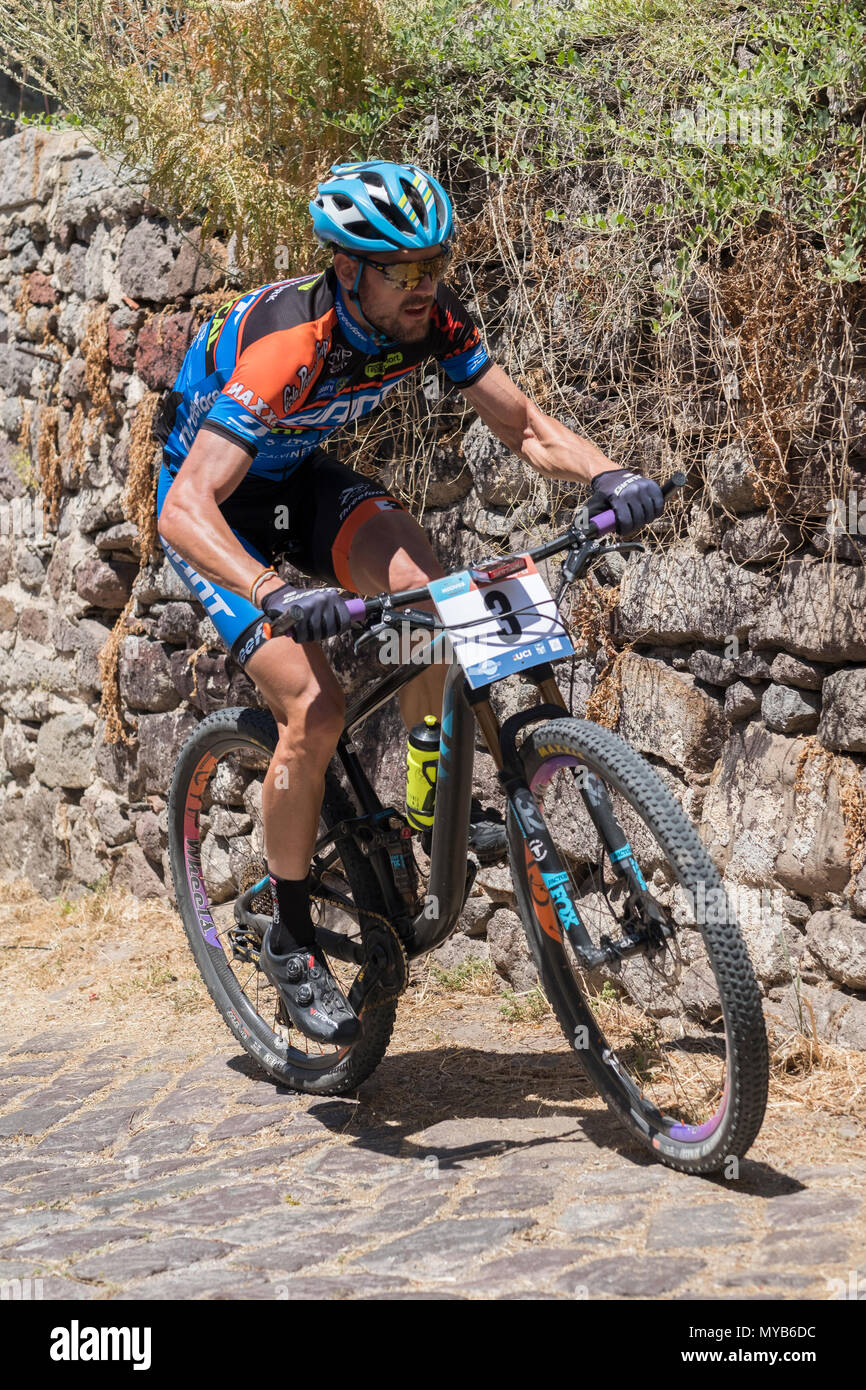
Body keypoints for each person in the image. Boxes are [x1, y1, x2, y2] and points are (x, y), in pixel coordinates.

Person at [154, 159, 663, 1046]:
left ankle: (431, 803)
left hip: (295, 482)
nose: (429, 285)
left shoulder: (432, 317)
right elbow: (184, 507)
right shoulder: (287, 348)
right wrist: (274, 591)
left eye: (436, 263)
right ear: (350, 270)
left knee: (437, 598)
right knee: (316, 703)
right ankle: (290, 932)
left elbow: (525, 425)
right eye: (406, 270)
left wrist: (609, 473)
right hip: (214, 509)